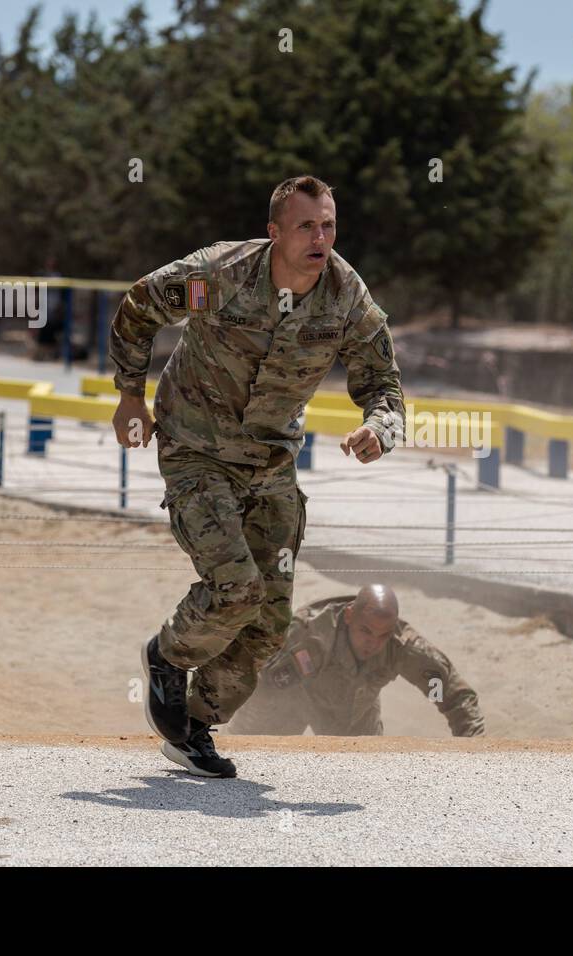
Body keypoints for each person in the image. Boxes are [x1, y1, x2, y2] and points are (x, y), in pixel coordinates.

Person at [111, 175, 406, 777]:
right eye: (306, 226)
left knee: (271, 626)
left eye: (328, 226)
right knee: (235, 588)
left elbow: (386, 388)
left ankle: (193, 725)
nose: (320, 238)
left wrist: (381, 428)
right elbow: (141, 305)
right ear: (275, 233)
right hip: (197, 449)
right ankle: (166, 655)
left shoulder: (347, 297)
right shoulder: (220, 277)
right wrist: (129, 398)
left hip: (271, 464)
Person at [228, 585, 485, 737]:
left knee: (364, 781)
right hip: (294, 700)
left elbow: (454, 695)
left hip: (354, 712)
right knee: (258, 759)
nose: (373, 642)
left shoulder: (402, 647)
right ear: (349, 616)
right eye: (365, 631)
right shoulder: (310, 633)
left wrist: (474, 754)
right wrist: (245, 736)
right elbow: (263, 681)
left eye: (383, 635)